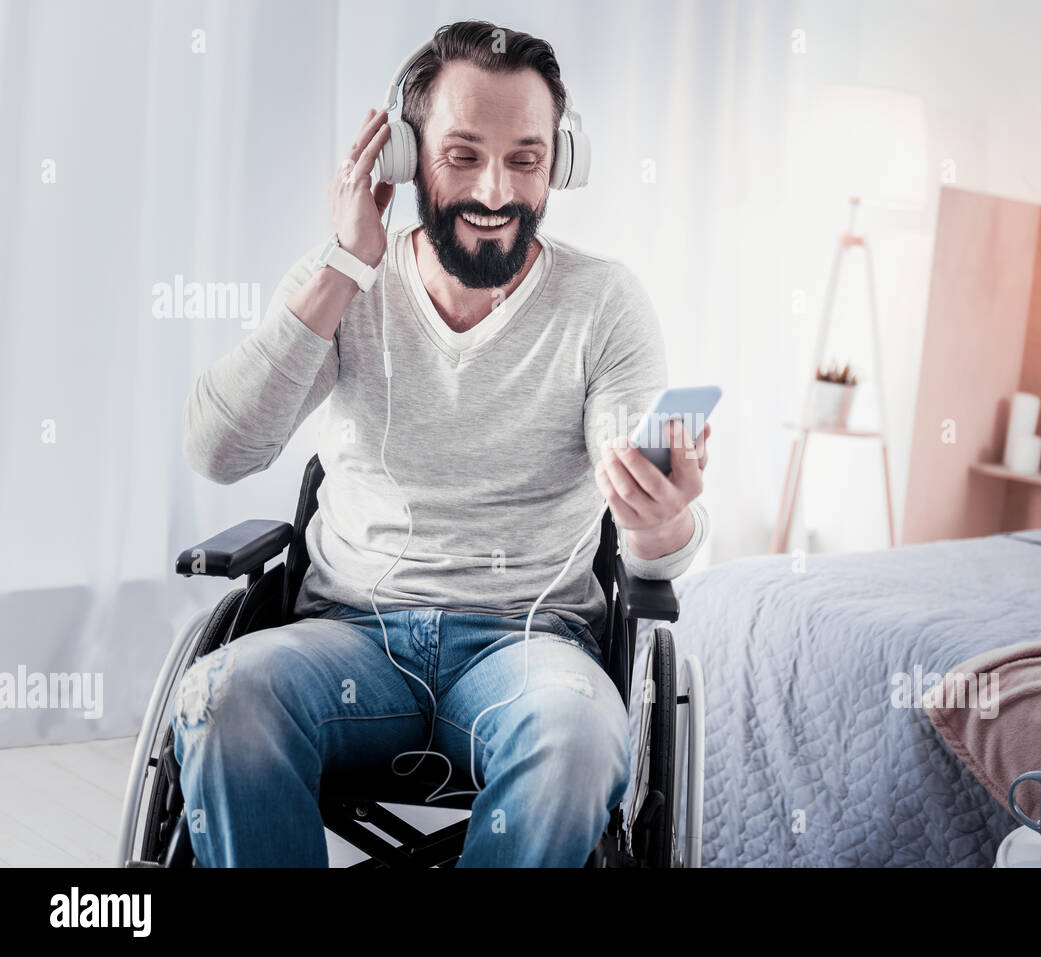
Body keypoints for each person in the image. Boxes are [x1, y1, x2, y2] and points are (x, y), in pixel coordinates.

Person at [171, 19, 710, 867]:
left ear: (558, 166)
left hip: (530, 651)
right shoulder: (345, 283)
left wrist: (661, 521)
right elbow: (217, 447)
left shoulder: (603, 304)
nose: (496, 190)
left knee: (576, 732)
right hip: (347, 639)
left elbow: (644, 533)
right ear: (400, 157)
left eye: (526, 159)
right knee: (221, 694)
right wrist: (348, 263)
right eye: (462, 155)